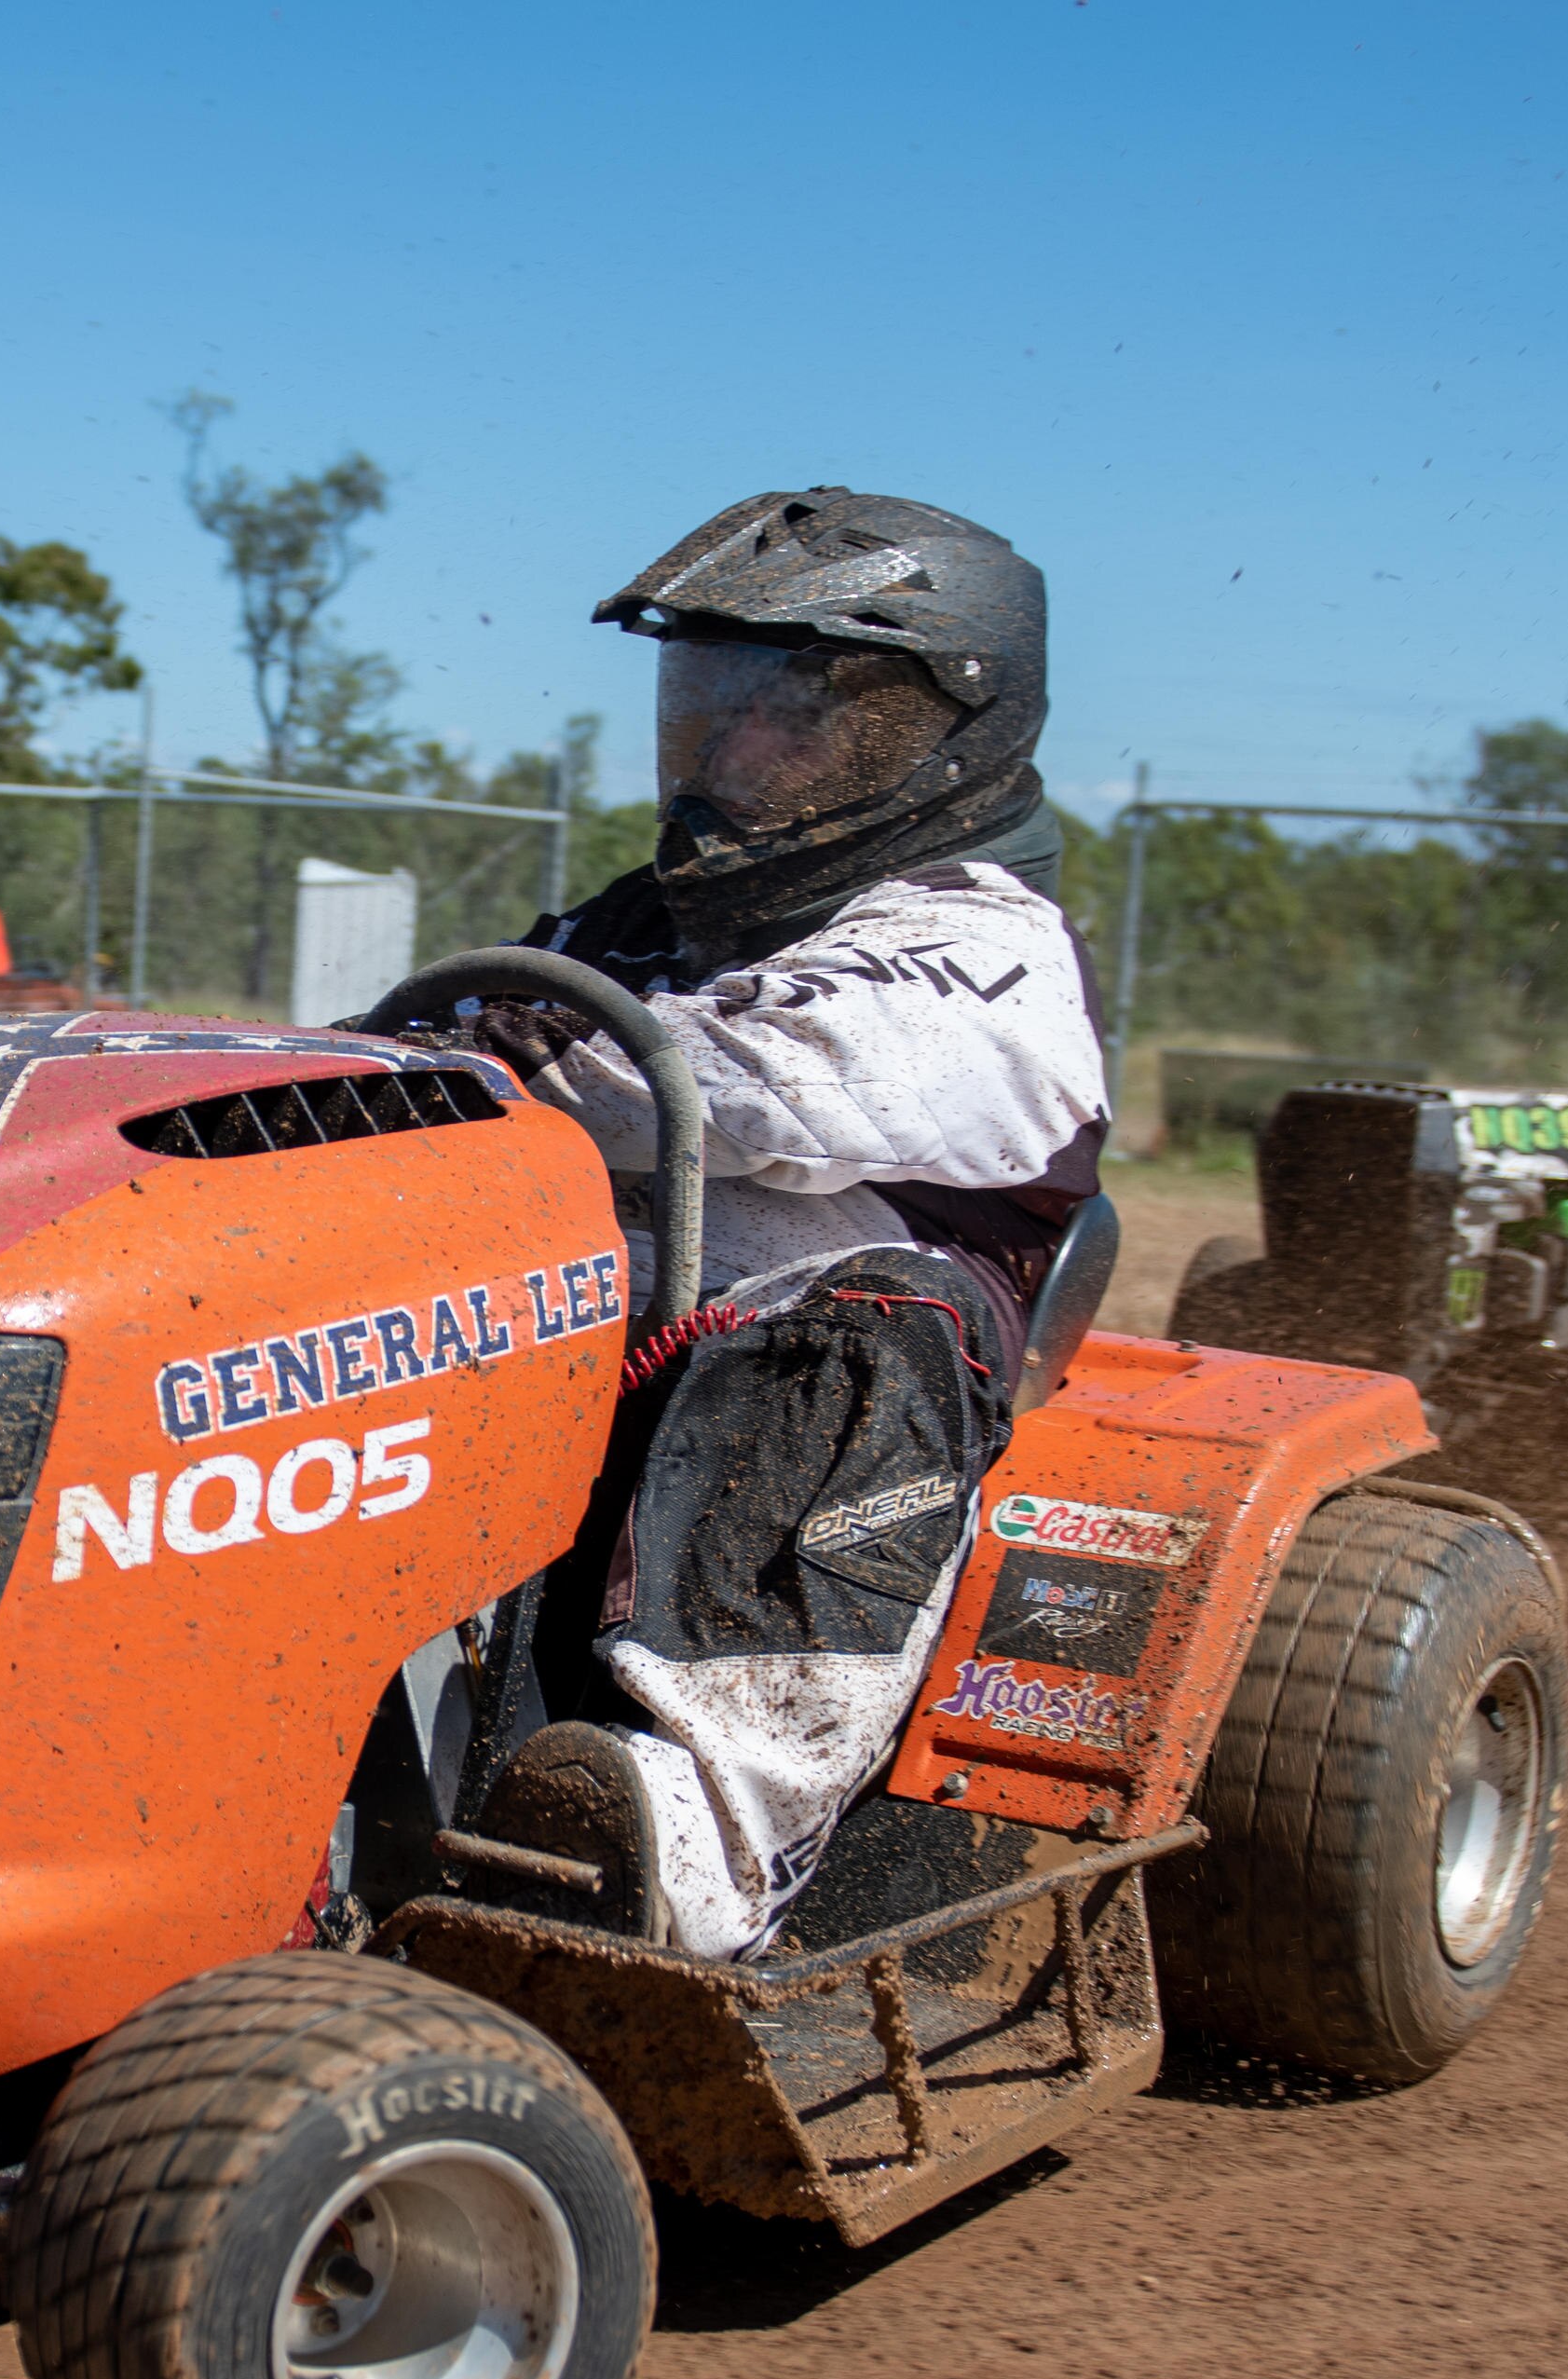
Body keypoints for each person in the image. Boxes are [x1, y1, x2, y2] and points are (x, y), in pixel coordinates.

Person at [420, 488, 1110, 1959]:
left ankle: (701, 1838)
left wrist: (505, 1059)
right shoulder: (631, 923)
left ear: (945, 730)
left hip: (824, 1356)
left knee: (854, 1329)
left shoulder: (985, 942)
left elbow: (737, 1083)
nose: (732, 745)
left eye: (798, 711)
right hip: (577, 1316)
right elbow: (412, 1052)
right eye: (710, 697)